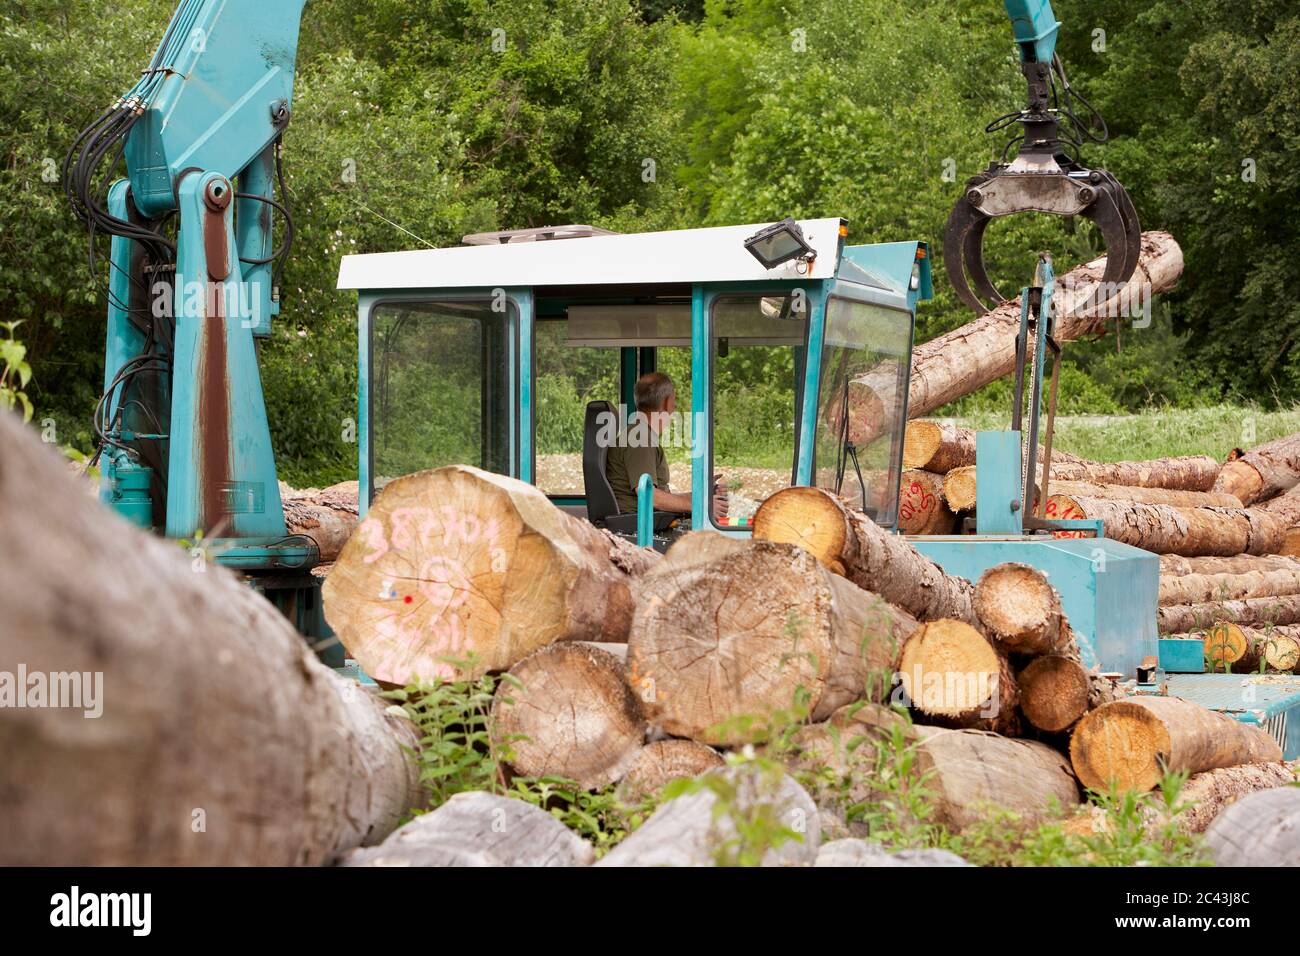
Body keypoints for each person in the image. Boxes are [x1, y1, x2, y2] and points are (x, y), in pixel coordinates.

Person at [604, 372, 727, 518]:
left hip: (648, 520)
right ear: (667, 402)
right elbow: (651, 497)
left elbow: (658, 496)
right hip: (640, 527)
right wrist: (700, 506)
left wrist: (699, 497)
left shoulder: (641, 435)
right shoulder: (640, 439)